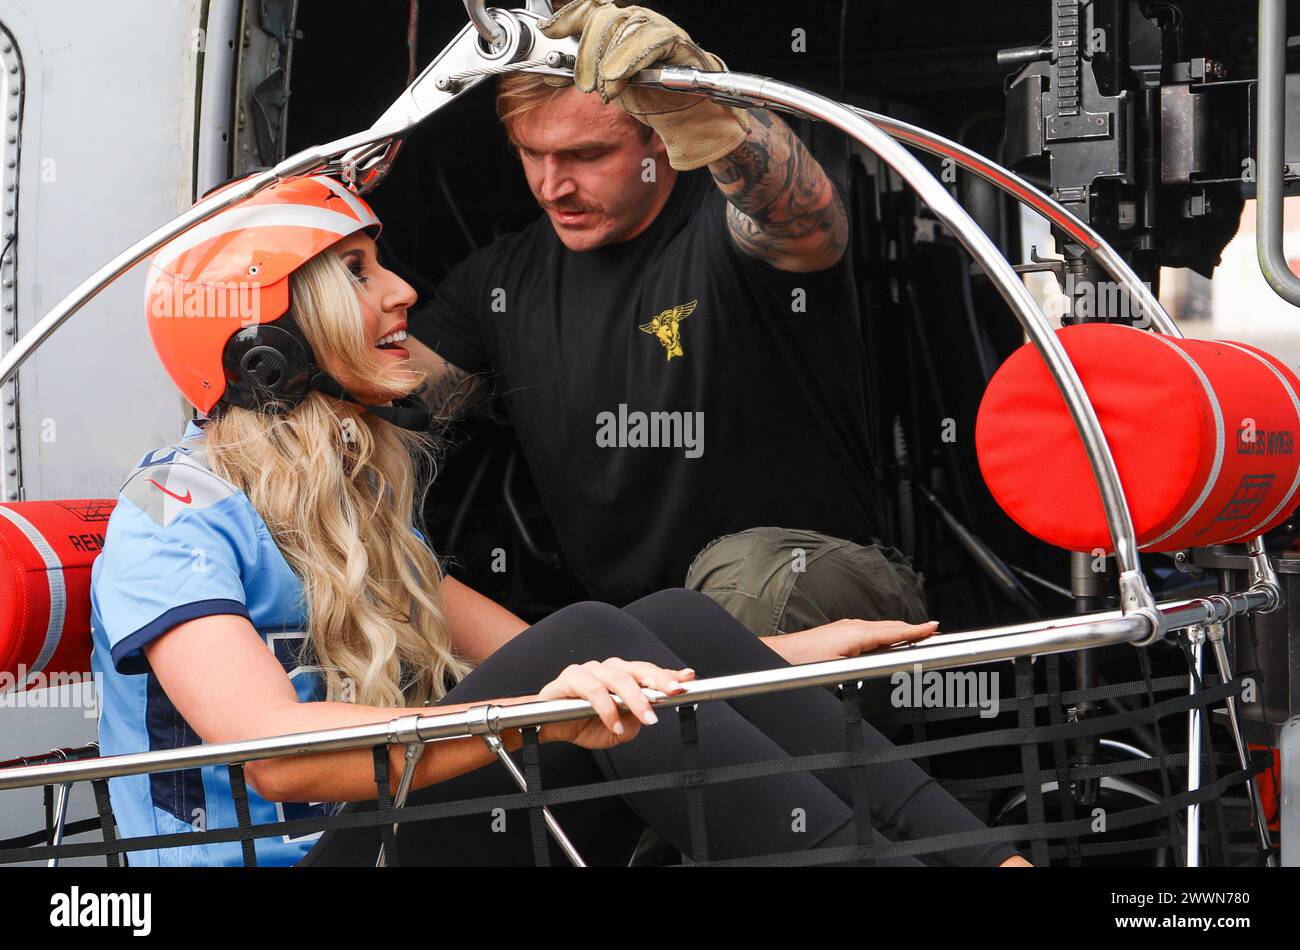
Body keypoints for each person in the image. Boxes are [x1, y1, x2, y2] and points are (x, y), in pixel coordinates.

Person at [90, 174, 1026, 866]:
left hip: (373, 847)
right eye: (355, 272)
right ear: (265, 349)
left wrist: (770, 665)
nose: (401, 291)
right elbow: (283, 764)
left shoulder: (352, 506)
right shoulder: (173, 520)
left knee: (655, 621)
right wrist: (544, 715)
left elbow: (585, 652)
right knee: (590, 642)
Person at [405, 0, 927, 677]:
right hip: (647, 649)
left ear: (659, 137)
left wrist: (714, 113)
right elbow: (389, 398)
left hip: (834, 600)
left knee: (744, 580)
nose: (551, 185)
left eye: (586, 155)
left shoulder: (731, 232)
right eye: (530, 154)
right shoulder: (498, 283)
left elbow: (800, 215)